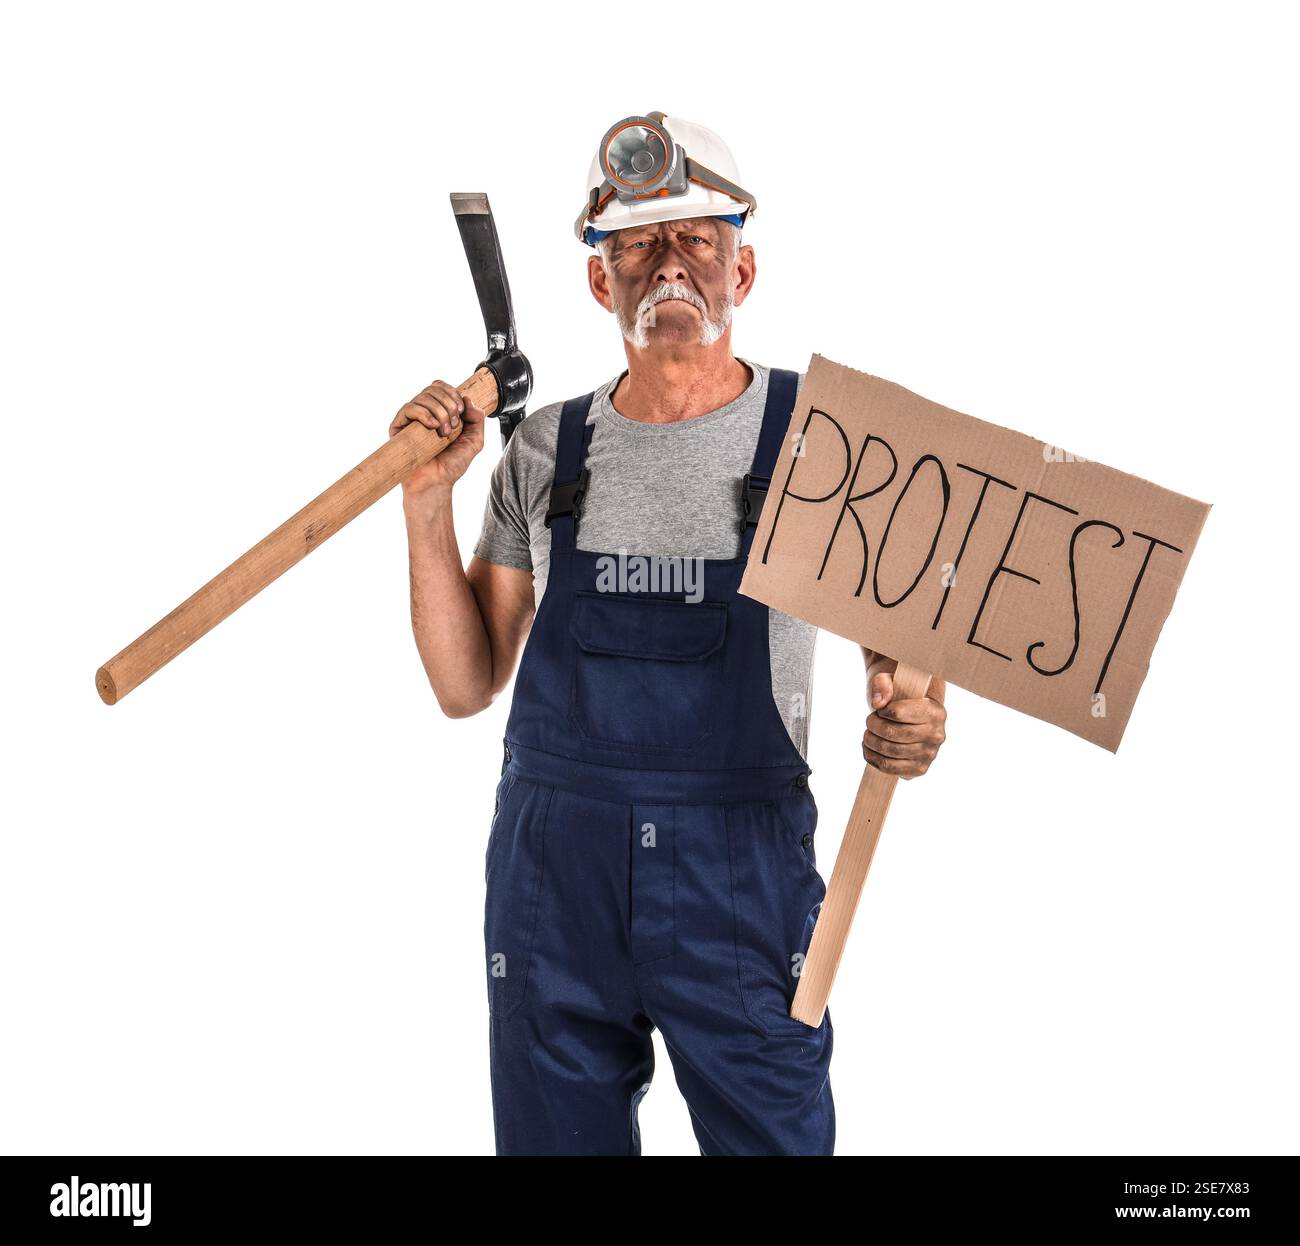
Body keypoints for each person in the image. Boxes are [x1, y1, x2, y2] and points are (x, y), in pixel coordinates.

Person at [391, 113, 948, 1155]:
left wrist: (915, 713)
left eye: (697, 238)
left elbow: (902, 656)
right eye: (638, 245)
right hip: (554, 877)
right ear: (599, 280)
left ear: (745, 268)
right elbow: (466, 684)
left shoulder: (823, 443)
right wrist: (426, 503)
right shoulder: (542, 450)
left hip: (740, 883)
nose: (669, 264)